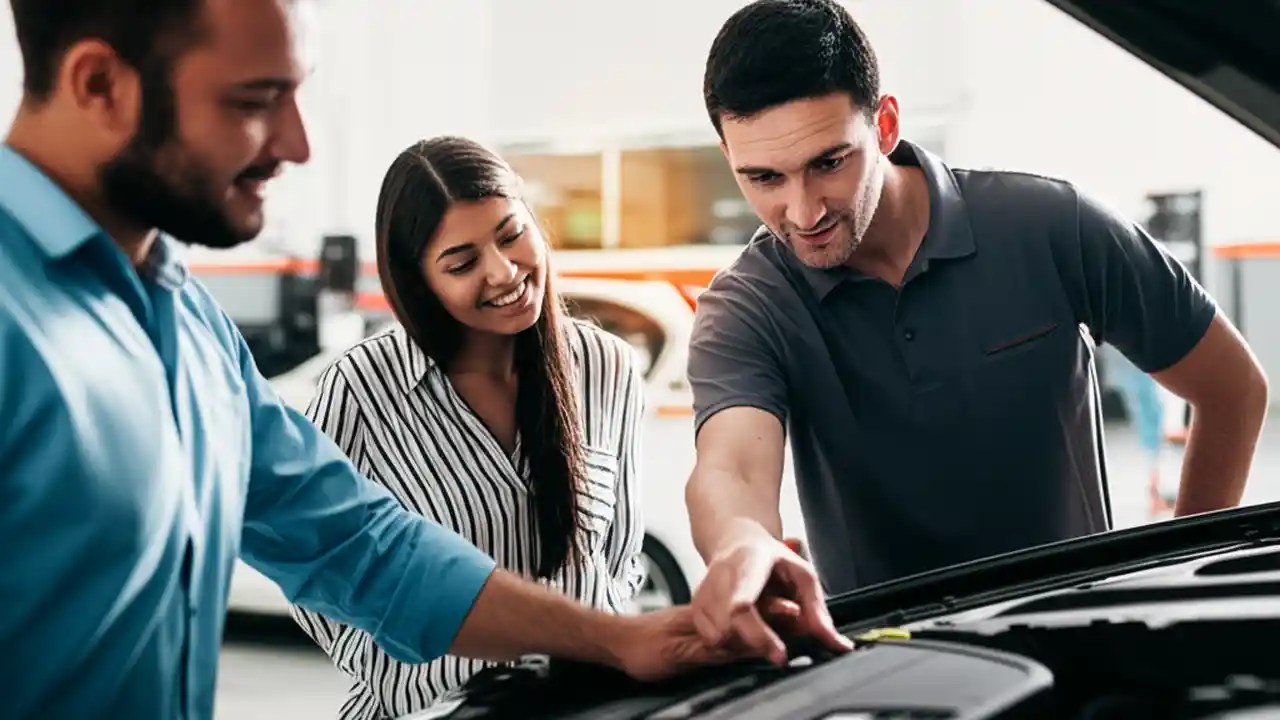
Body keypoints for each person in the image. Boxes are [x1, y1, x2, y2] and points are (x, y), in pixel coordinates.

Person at [0, 2, 839, 718]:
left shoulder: (183, 318)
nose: (297, 145)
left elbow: (360, 548)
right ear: (99, 85)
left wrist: (626, 639)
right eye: (258, 99)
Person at [683, 0, 1269, 650]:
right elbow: (731, 469)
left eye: (828, 163)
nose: (802, 210)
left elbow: (1232, 388)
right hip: (886, 668)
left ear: (884, 123)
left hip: (1091, 648)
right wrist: (741, 550)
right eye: (763, 178)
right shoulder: (746, 306)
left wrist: (1178, 576)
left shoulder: (1050, 225)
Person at [290, 136, 649, 718]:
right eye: (462, 263)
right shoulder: (359, 390)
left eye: (512, 235)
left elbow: (620, 558)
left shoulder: (605, 365)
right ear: (417, 280)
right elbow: (319, 574)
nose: (504, 271)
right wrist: (407, 674)